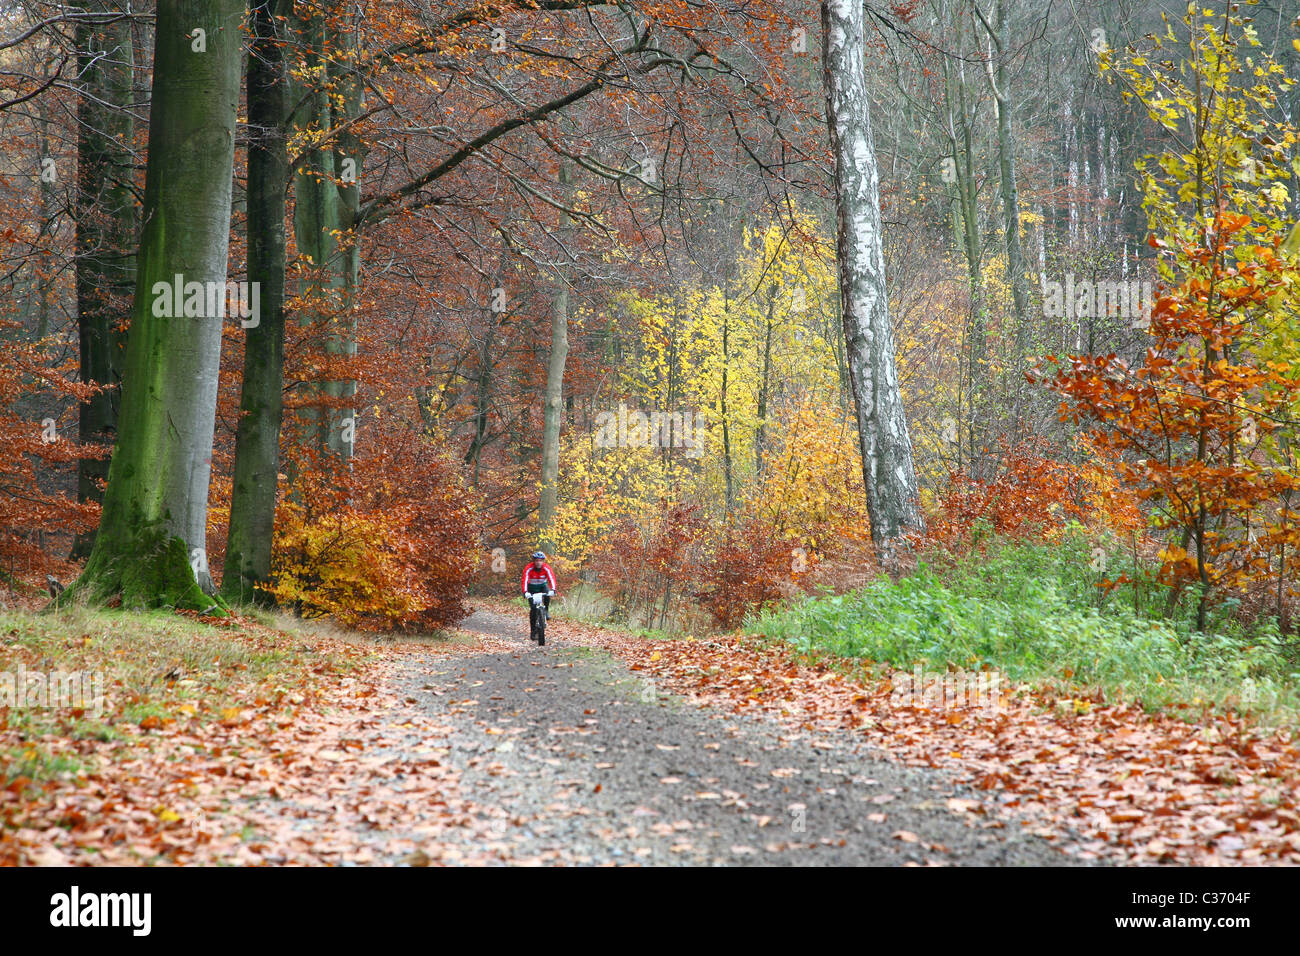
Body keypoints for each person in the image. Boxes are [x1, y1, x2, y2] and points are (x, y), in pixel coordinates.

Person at [520, 550, 557, 644]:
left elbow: (551, 578)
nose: (538, 562)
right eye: (536, 560)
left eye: (540, 560)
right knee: (533, 609)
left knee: (547, 593)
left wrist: (553, 589)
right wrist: (525, 592)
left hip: (542, 587)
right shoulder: (529, 568)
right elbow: (525, 579)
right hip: (531, 588)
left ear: (543, 561)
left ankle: (546, 610)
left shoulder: (546, 568)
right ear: (534, 561)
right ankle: (533, 631)